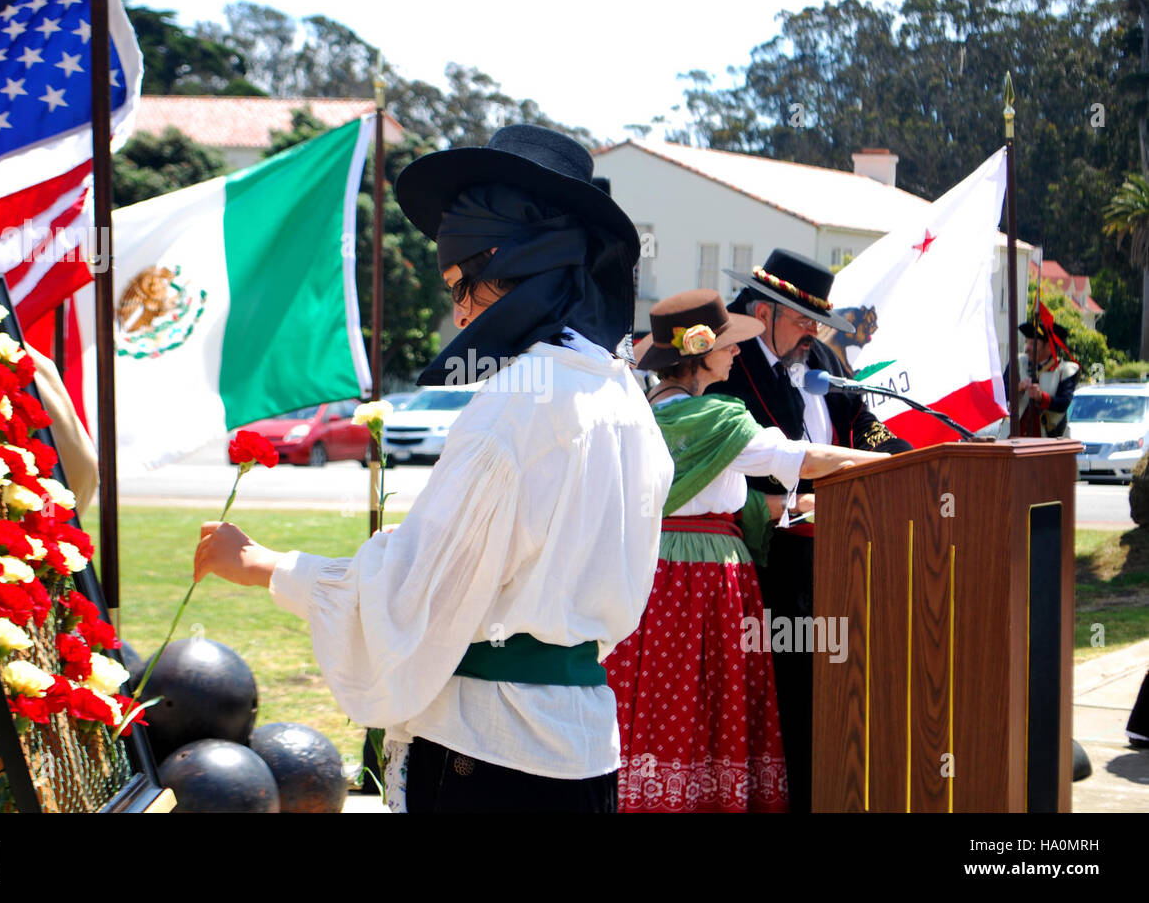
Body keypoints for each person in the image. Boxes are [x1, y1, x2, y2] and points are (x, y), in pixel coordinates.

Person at [193, 125, 673, 813]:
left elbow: (417, 595)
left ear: (522, 266)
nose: (457, 313)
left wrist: (269, 565)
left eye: (464, 286)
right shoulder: (626, 397)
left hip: (490, 752)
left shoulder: (517, 401)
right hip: (586, 750)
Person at [607, 289, 888, 812]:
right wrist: (883, 465)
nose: (737, 353)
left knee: (662, 706)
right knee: (705, 704)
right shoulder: (717, 419)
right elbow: (801, 457)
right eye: (728, 345)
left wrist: (802, 506)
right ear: (698, 352)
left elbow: (731, 501)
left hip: (649, 581)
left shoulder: (642, 411)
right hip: (700, 587)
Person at [705, 248, 913, 811]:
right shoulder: (727, 365)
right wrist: (779, 508)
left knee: (833, 705)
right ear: (763, 310)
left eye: (818, 323)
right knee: (783, 704)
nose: (812, 334)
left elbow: (864, 426)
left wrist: (914, 458)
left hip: (837, 567)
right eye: (802, 321)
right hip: (765, 570)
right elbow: (714, 471)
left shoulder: (821, 357)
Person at [1016, 318, 1080, 438]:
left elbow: (1063, 403)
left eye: (1034, 344)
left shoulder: (1066, 370)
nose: (1028, 348)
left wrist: (1041, 397)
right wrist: (1018, 387)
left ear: (1050, 348)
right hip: (1015, 437)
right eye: (1027, 343)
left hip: (1048, 441)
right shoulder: (1018, 363)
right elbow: (1001, 392)